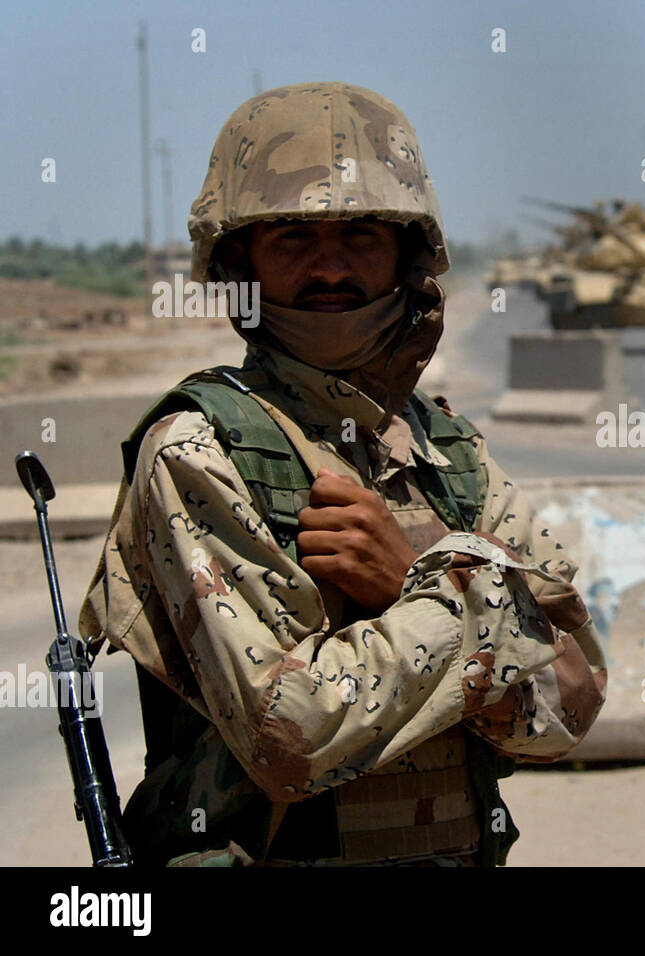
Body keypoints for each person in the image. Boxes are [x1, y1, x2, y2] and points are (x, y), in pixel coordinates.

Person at [79, 82, 607, 867]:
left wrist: (409, 584)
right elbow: (291, 737)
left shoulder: (448, 453)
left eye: (361, 233)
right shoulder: (198, 449)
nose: (330, 266)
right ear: (239, 261)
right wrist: (477, 610)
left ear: (407, 253)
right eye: (291, 236)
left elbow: (567, 707)